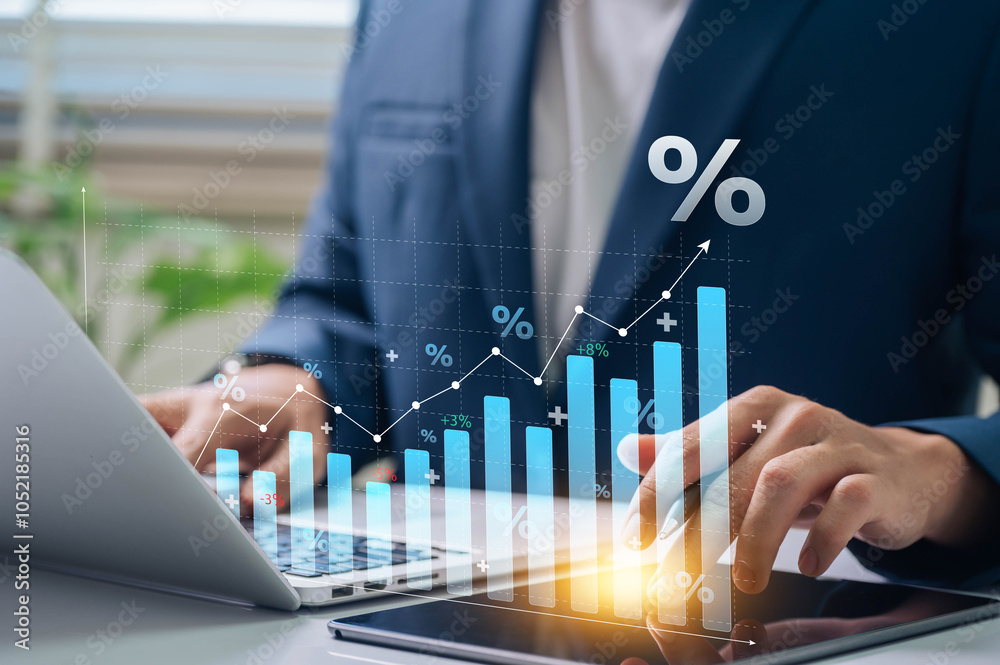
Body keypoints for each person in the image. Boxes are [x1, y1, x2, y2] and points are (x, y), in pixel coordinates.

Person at [141, 0, 1000, 602]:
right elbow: (346, 301)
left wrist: (937, 472)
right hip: (403, 626)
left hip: (777, 618)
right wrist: (292, 379)